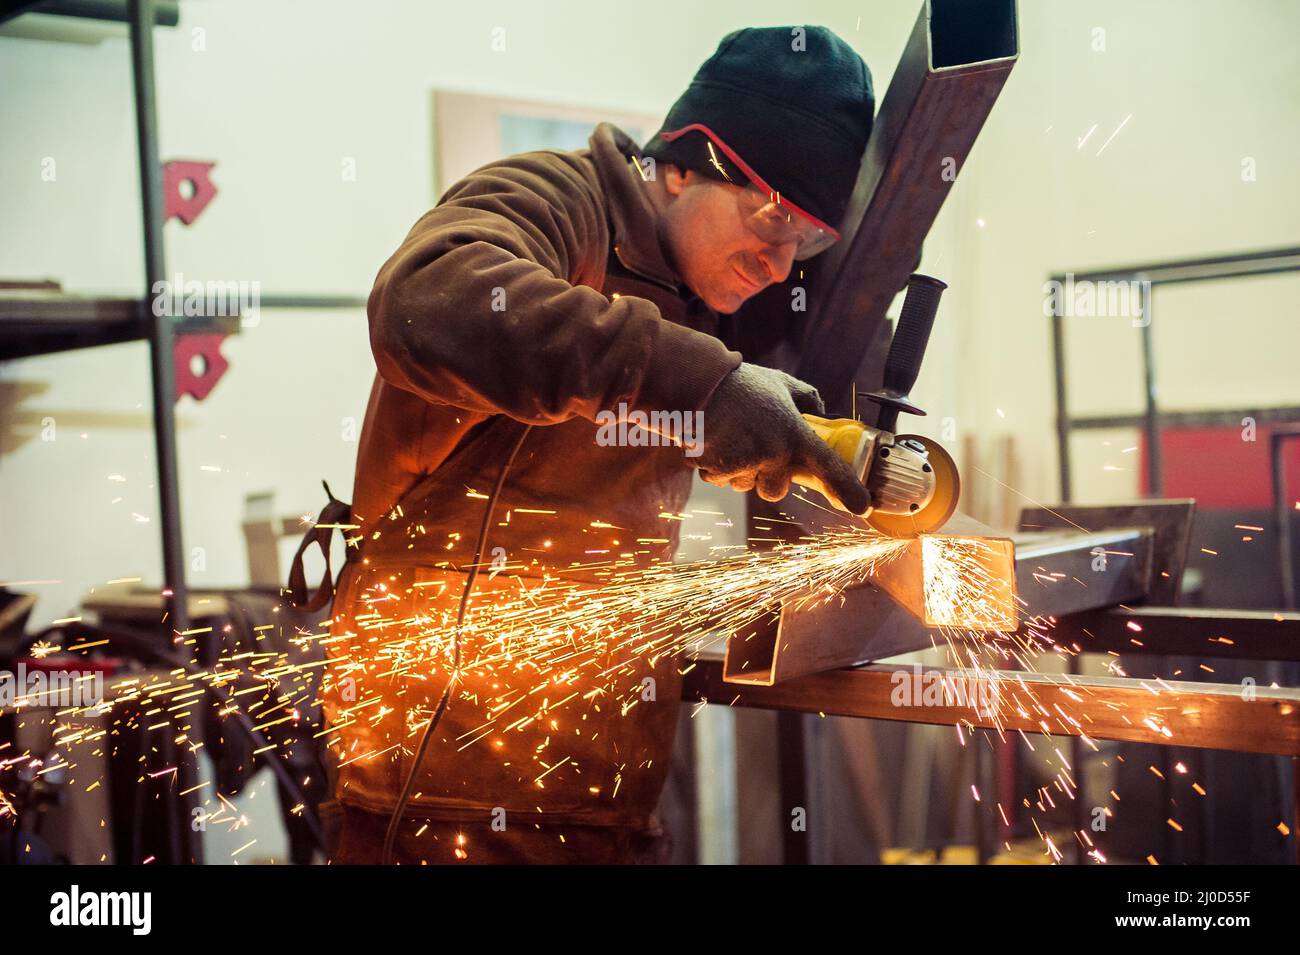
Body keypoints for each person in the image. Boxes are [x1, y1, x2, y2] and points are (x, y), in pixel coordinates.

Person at [321, 25, 875, 863]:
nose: (778, 260)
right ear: (684, 161)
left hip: (606, 791)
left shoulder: (709, 292)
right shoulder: (556, 199)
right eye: (770, 214)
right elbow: (424, 303)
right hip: (445, 786)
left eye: (808, 237)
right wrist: (702, 384)